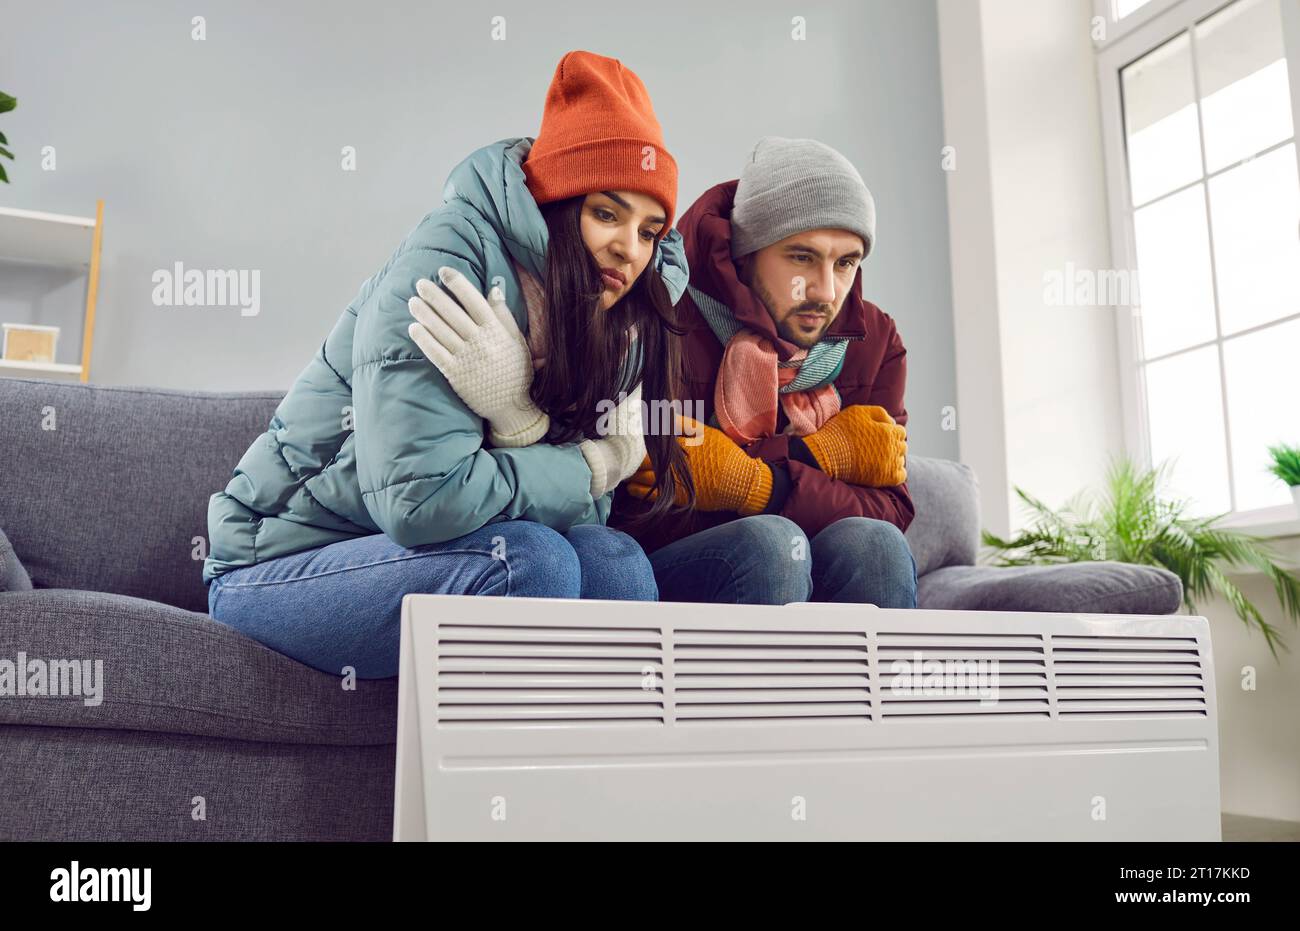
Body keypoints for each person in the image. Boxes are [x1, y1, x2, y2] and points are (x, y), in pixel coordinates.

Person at [202, 51, 693, 677]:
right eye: (606, 213)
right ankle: (493, 780)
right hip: (278, 568)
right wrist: (591, 462)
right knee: (532, 564)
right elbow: (422, 503)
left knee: (612, 559)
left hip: (413, 556)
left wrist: (522, 423)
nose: (630, 249)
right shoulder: (448, 263)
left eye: (651, 230)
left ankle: (592, 777)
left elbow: (584, 511)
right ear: (559, 204)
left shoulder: (613, 315)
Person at [613, 137, 918, 607]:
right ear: (744, 253)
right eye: (801, 257)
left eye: (846, 263)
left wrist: (759, 484)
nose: (824, 290)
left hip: (809, 547)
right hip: (674, 565)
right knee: (770, 545)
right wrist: (822, 457)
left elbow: (891, 511)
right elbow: (640, 501)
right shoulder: (663, 313)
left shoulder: (874, 340)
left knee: (874, 546)